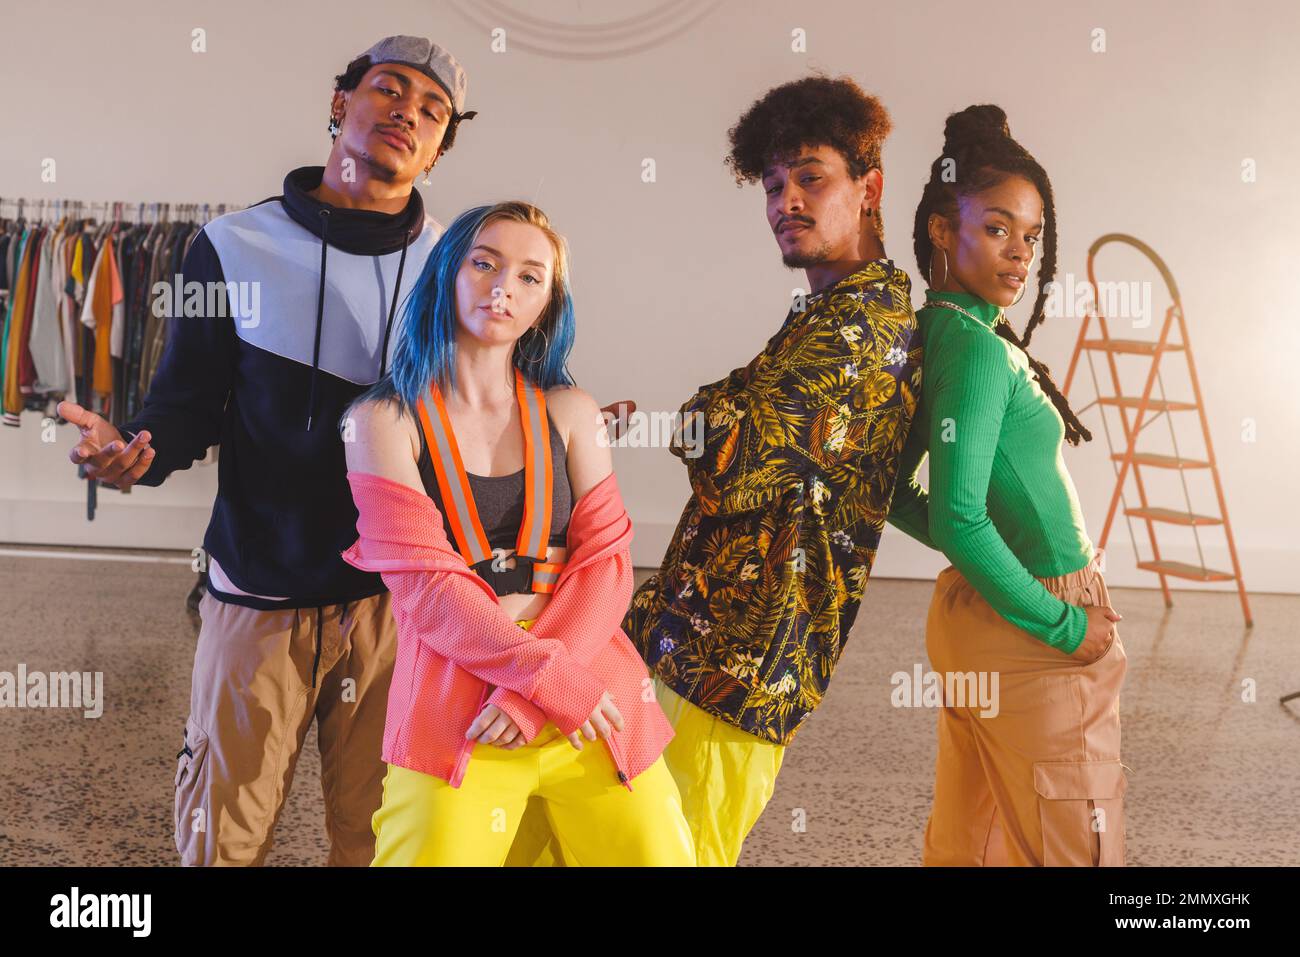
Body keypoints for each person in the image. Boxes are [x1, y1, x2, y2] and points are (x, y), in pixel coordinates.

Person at [54, 36, 472, 865]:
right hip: (257, 595)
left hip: (399, 606)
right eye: (388, 89)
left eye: (433, 112)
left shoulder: (453, 266)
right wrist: (135, 448)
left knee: (383, 838)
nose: (407, 113)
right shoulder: (234, 246)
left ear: (438, 149)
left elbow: (477, 421)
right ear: (338, 100)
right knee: (223, 837)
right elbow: (181, 406)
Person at [619, 75, 923, 866]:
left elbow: (731, 454)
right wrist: (714, 413)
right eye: (773, 184)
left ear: (869, 188)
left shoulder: (866, 324)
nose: (786, 200)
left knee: (671, 854)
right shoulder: (821, 312)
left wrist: (708, 411)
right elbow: (727, 432)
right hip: (689, 637)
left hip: (745, 670)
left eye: (811, 178)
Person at [340, 201, 696, 866]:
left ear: (547, 304)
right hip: (460, 712)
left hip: (593, 700)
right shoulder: (381, 420)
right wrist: (542, 681)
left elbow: (606, 568)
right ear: (448, 273)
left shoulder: (573, 411)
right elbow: (428, 587)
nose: (505, 285)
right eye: (485, 263)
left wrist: (537, 697)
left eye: (531, 276)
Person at [886, 104, 1128, 866]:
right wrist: (1062, 624)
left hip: (979, 613)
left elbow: (893, 489)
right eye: (997, 228)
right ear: (939, 229)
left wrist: (987, 567)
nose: (1021, 253)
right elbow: (958, 517)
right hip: (1036, 630)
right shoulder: (981, 353)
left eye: (1032, 236)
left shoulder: (948, 333)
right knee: (1078, 847)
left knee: (972, 842)